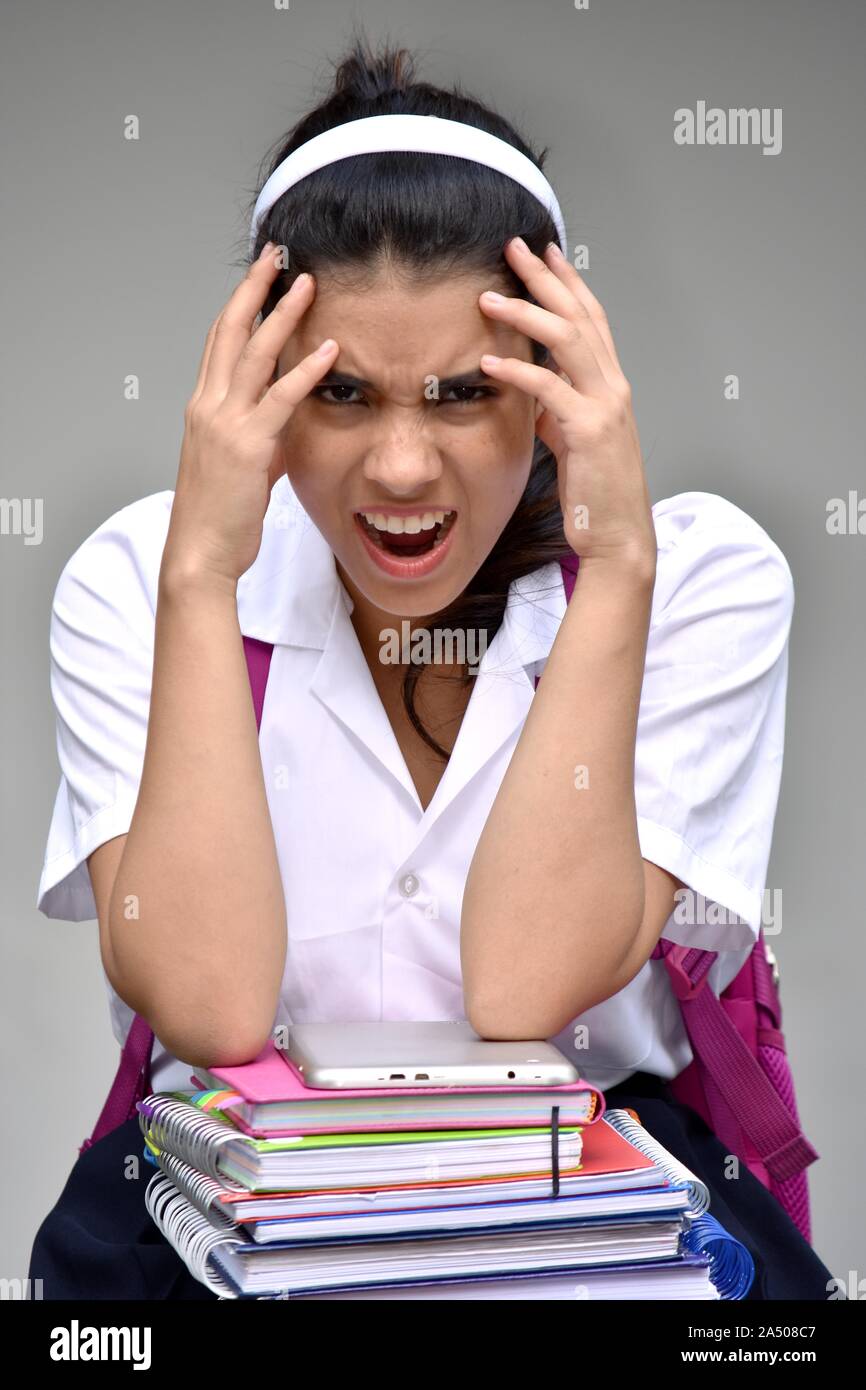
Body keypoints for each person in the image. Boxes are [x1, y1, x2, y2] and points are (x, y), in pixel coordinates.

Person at [29, 36, 834, 1301]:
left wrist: (615, 564)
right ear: (258, 383)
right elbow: (208, 1003)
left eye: (463, 392)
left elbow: (524, 981)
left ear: (554, 384)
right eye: (340, 393)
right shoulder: (140, 578)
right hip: (238, 1200)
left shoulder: (696, 579)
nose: (401, 471)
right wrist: (200, 579)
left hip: (593, 1210)